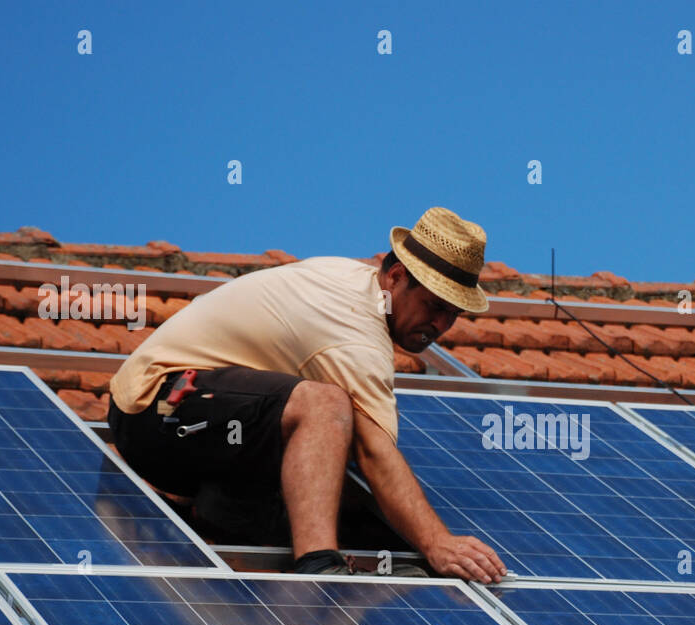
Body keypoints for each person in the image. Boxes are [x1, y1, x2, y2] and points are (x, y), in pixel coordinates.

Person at [106, 206, 508, 583]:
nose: (440, 324)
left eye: (453, 314)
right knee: (327, 406)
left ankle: (226, 509)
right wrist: (437, 543)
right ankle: (318, 564)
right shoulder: (355, 333)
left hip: (197, 429)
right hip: (157, 409)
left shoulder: (352, 278)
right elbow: (375, 456)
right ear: (396, 277)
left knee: (338, 486)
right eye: (433, 305)